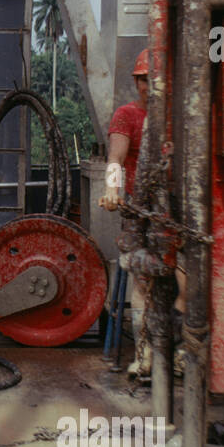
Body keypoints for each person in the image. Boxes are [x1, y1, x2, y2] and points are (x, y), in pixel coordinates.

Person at [98, 50, 184, 377]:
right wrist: (112, 189)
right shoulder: (127, 115)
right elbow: (116, 160)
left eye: (157, 80)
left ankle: (181, 350)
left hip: (176, 214)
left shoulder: (179, 117)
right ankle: (145, 355)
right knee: (142, 280)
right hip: (139, 209)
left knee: (188, 284)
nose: (151, 86)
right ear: (137, 81)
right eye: (145, 79)